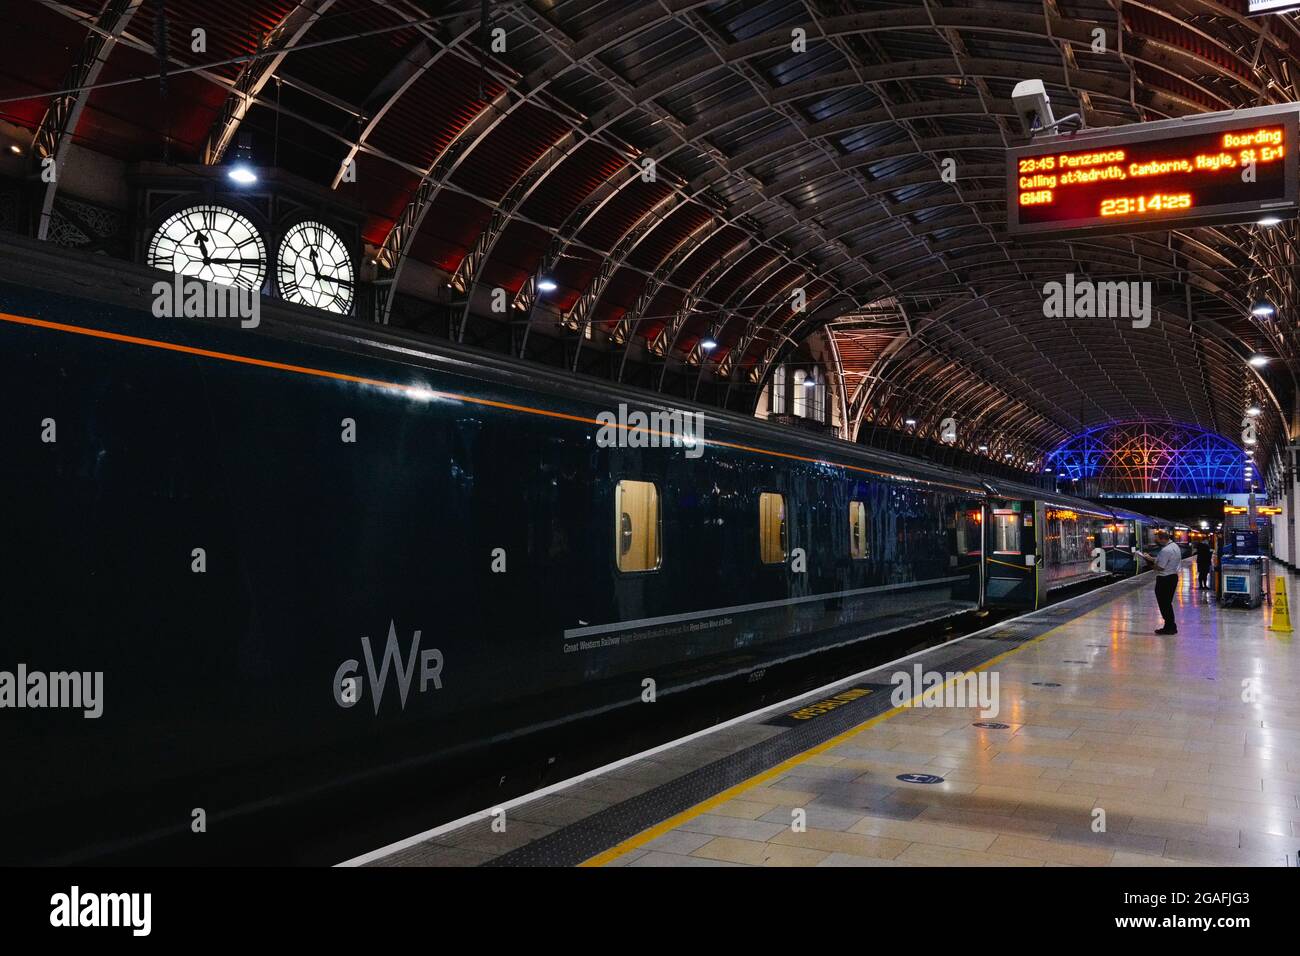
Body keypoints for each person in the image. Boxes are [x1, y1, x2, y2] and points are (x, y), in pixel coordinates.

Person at [1139, 530, 1183, 634]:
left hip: (1165, 579)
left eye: (1156, 538)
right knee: (1167, 603)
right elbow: (1164, 560)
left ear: (1161, 538)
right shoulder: (1174, 546)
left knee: (1164, 604)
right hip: (1173, 577)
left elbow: (1160, 567)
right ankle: (1171, 626)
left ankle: (1170, 628)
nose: (1155, 540)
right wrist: (1151, 558)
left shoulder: (1165, 550)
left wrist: (1148, 562)